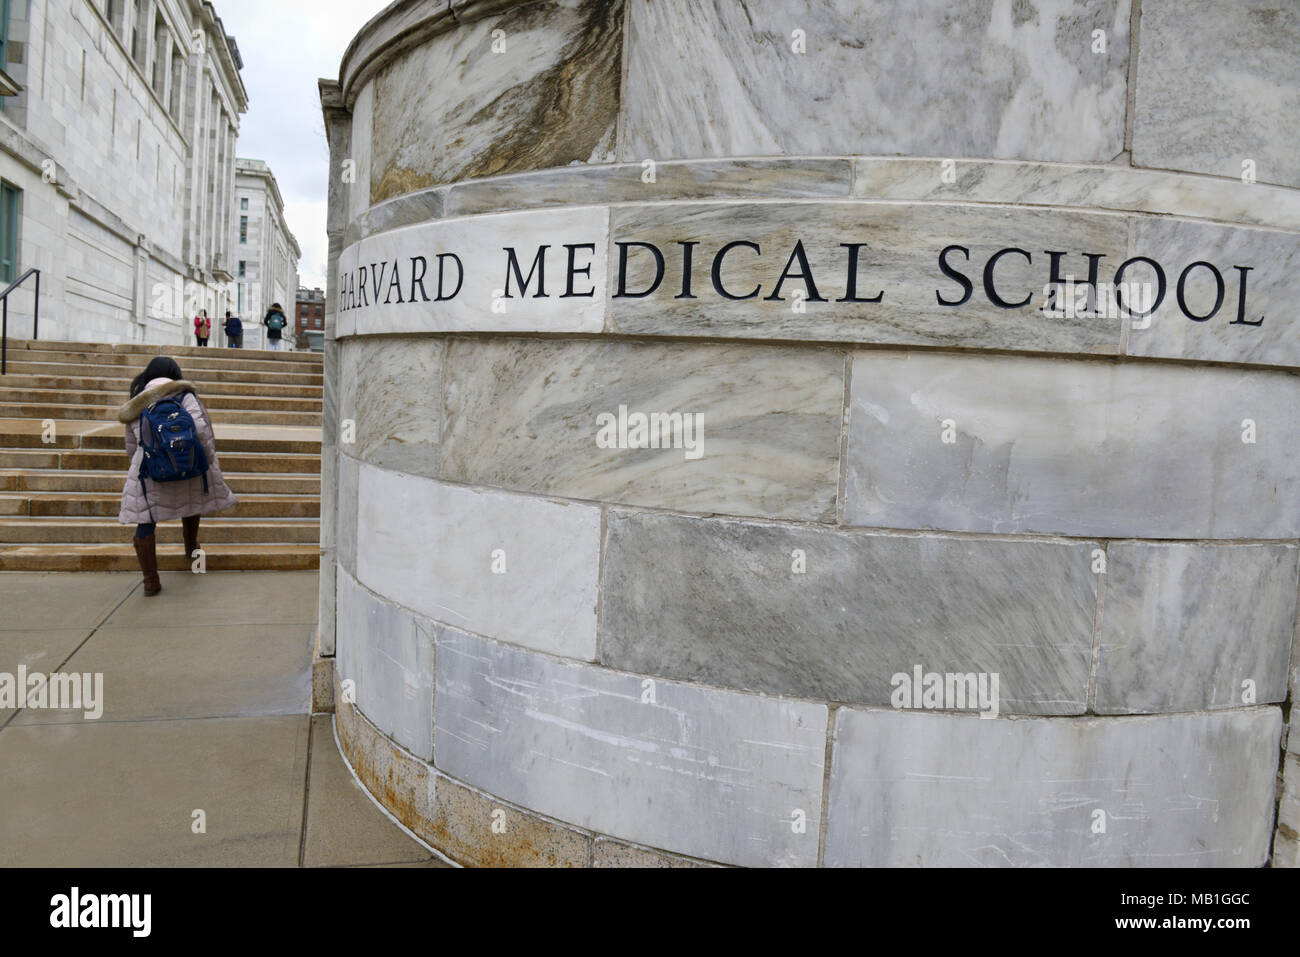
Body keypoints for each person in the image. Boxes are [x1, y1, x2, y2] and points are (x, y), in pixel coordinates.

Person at [117, 357, 238, 596]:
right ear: (175, 373)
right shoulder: (186, 395)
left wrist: (139, 462)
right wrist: (208, 460)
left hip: (150, 469)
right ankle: (192, 549)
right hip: (188, 464)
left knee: (146, 521)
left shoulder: (137, 400)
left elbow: (131, 445)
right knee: (191, 502)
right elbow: (203, 431)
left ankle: (151, 581)